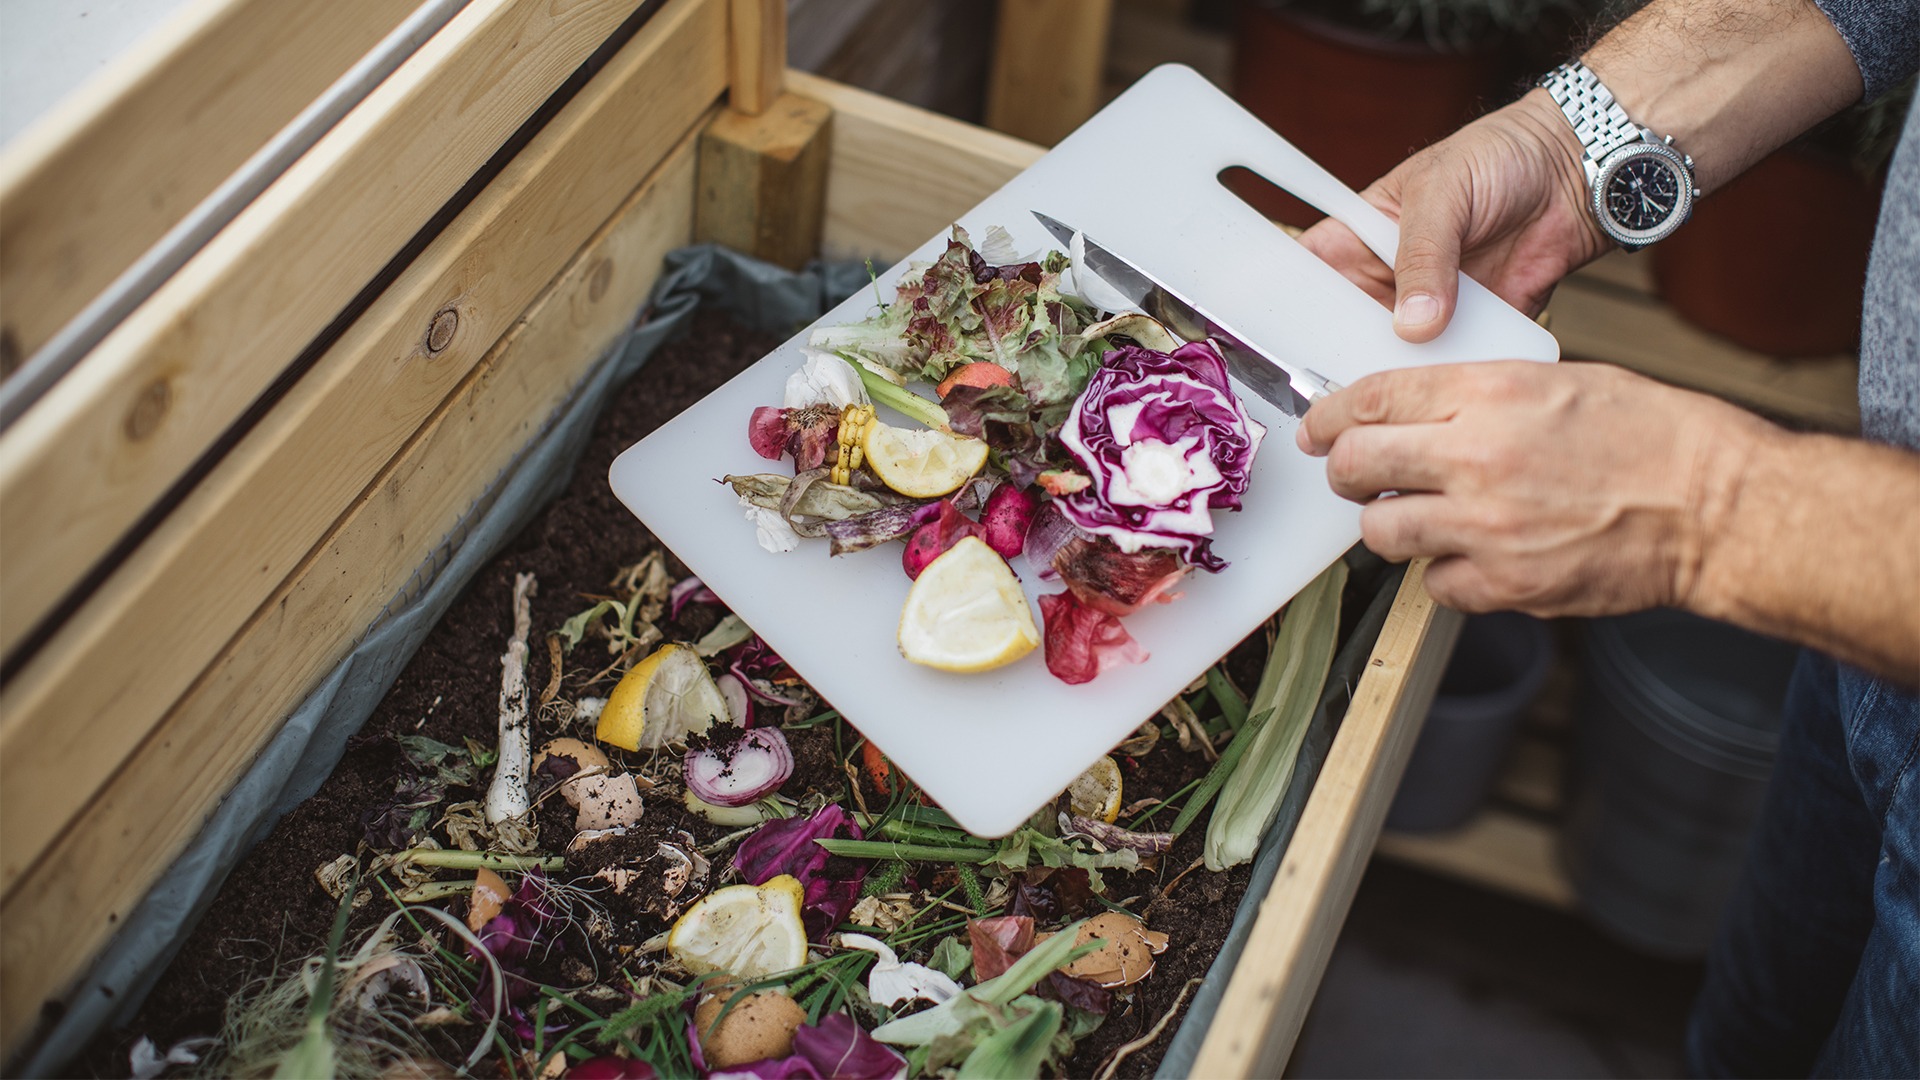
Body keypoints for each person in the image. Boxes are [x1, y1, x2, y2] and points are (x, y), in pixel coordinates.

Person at [1290, 0, 1918, 1074]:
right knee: (1747, 1044)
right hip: (1872, 616)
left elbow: (1712, 503)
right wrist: (1570, 141)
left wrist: (1710, 503)